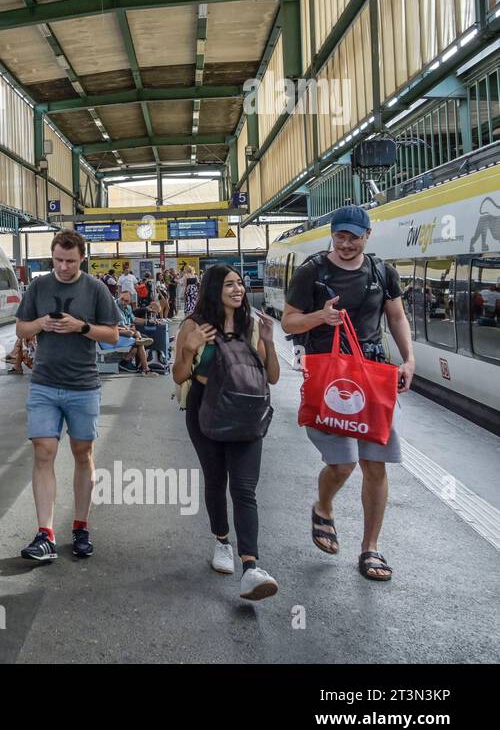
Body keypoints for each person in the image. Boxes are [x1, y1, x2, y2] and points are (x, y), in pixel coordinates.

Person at [281, 204, 413, 582]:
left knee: (375, 464)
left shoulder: (381, 271)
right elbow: (289, 320)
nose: (347, 243)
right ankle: (323, 505)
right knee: (342, 464)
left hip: (374, 378)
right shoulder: (312, 271)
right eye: (341, 235)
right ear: (333, 235)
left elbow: (396, 317)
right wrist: (320, 317)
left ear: (367, 236)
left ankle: (370, 548)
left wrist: (409, 360)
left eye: (354, 236)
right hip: (330, 378)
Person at [173, 265, 282, 600]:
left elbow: (273, 377)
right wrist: (190, 349)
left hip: (247, 411)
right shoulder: (193, 326)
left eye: (240, 284)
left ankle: (251, 567)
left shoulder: (251, 326)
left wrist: (268, 343)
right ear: (213, 289)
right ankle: (222, 540)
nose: (238, 289)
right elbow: (178, 376)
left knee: (244, 487)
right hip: (206, 408)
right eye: (230, 284)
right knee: (216, 478)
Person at [15, 230, 120, 561]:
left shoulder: (96, 289)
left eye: (70, 261)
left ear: (82, 258)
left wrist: (81, 327)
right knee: (43, 452)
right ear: (52, 256)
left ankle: (81, 525)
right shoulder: (38, 287)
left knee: (82, 453)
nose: (63, 267)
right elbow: (21, 329)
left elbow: (114, 335)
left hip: (83, 385)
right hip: (44, 383)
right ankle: (44, 533)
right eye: (58, 260)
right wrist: (41, 323)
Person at [112, 291, 156, 375]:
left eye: (126, 301)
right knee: (138, 339)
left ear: (130, 301)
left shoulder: (128, 307)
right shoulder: (112, 306)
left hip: (127, 330)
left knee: (141, 338)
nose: (123, 302)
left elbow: (133, 320)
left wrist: (148, 321)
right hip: (117, 331)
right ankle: (145, 369)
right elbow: (110, 325)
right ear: (119, 296)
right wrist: (128, 328)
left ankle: (130, 363)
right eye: (122, 299)